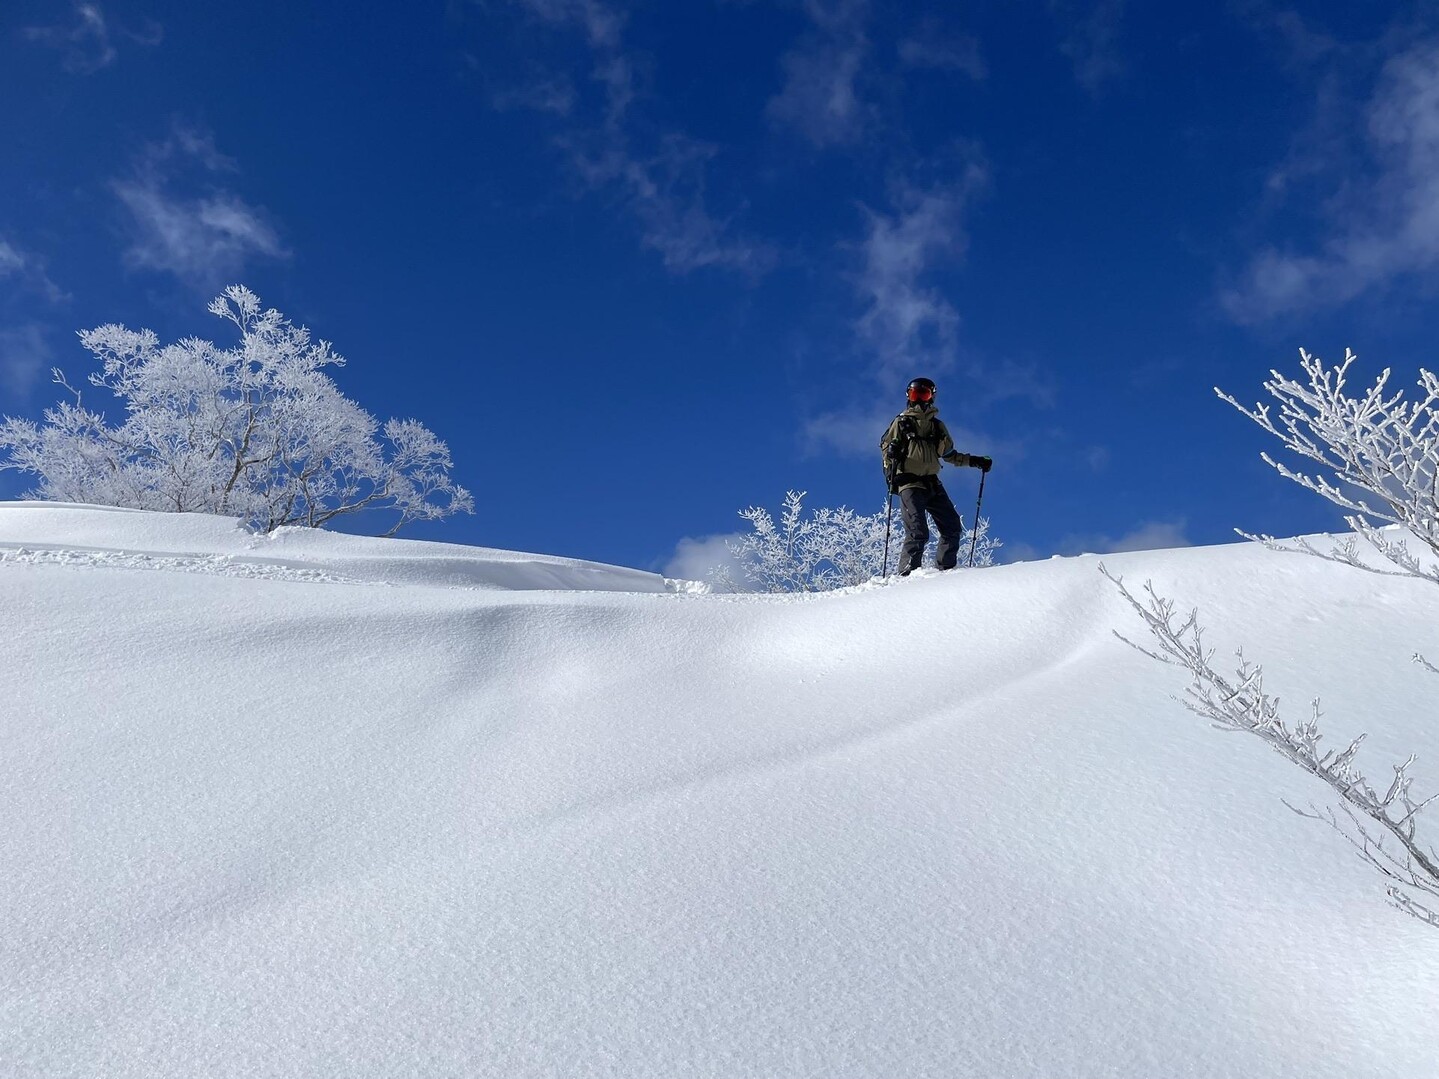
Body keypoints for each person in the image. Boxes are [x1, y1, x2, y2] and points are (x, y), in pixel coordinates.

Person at [880, 377, 992, 575]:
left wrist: (975, 461)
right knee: (918, 531)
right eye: (916, 394)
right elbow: (887, 450)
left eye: (924, 394)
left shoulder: (937, 427)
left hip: (931, 483)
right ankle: (906, 577)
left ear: (932, 397)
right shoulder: (902, 422)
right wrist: (891, 472)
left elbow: (949, 455)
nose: (919, 399)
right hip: (909, 482)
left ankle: (944, 573)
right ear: (908, 396)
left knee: (952, 526)